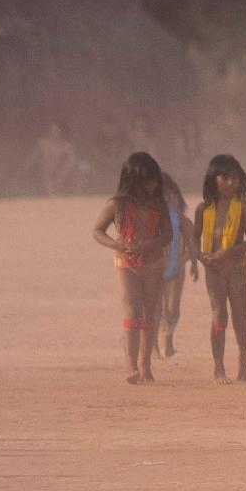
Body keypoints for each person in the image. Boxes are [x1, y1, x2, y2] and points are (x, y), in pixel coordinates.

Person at [91, 151, 172, 384]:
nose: (152, 185)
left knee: (149, 314)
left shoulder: (159, 203)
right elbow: (97, 231)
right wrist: (117, 244)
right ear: (133, 181)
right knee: (132, 314)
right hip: (126, 264)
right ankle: (131, 366)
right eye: (147, 180)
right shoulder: (116, 205)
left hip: (154, 262)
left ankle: (146, 364)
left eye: (154, 180)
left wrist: (147, 244)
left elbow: (167, 235)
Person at [193, 153, 246, 382]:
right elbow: (194, 239)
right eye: (225, 178)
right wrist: (200, 258)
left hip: (237, 268)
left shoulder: (245, 208)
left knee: (240, 317)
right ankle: (218, 365)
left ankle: (242, 357)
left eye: (234, 179)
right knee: (219, 314)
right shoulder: (203, 209)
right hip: (214, 270)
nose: (230, 183)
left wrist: (228, 252)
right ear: (214, 180)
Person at [158, 172, 196, 358]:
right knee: (156, 308)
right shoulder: (151, 219)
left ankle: (168, 339)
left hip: (176, 268)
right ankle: (153, 346)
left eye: (169, 195)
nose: (166, 199)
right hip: (154, 269)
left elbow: (192, 246)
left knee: (173, 307)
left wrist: (190, 263)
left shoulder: (181, 219)